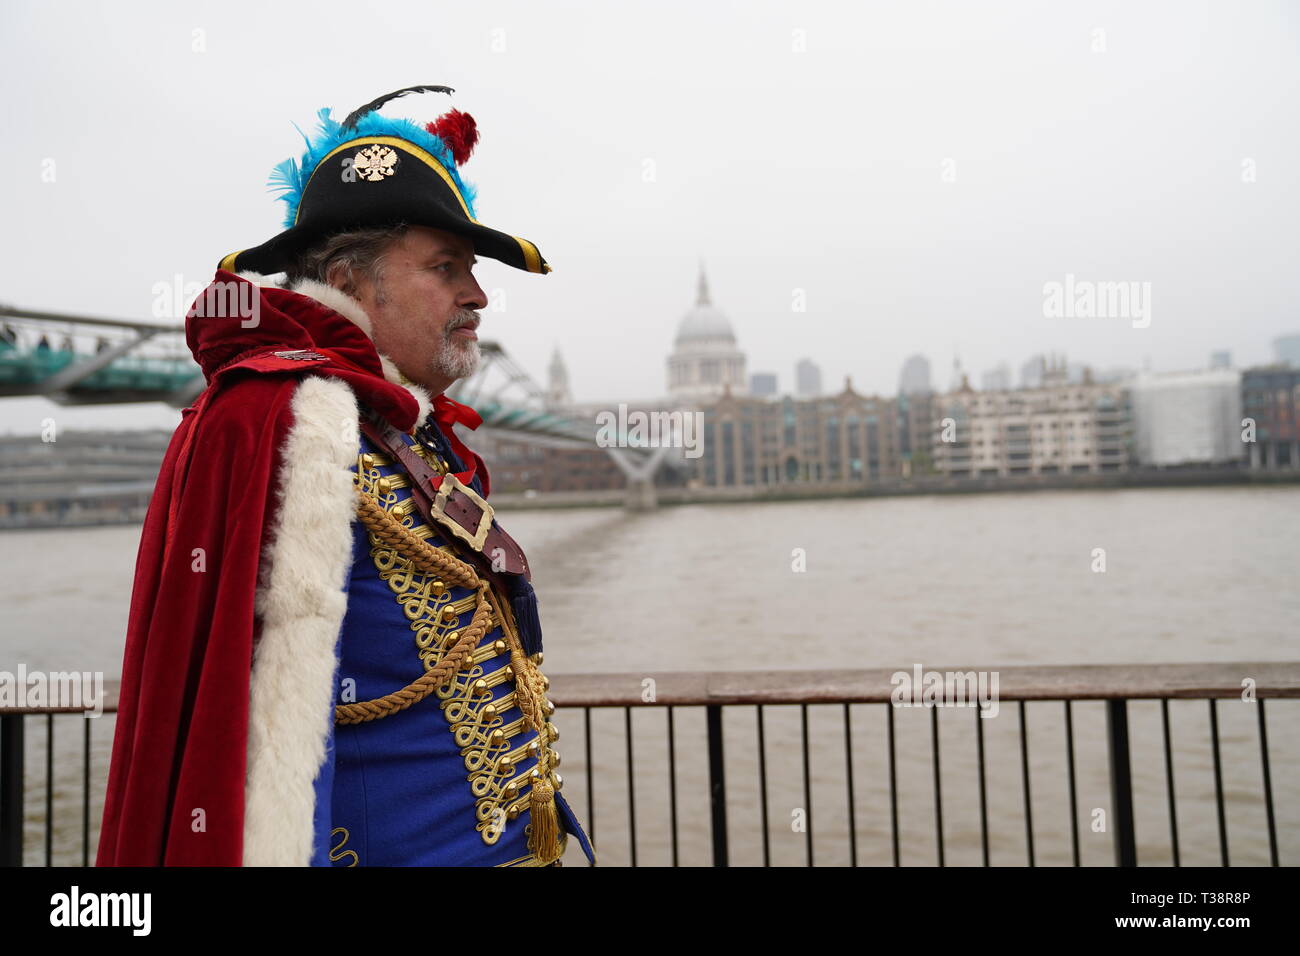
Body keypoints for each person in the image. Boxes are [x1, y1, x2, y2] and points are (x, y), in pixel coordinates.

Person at [96, 86, 596, 867]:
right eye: (446, 267)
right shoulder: (276, 420)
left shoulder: (394, 427)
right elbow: (249, 753)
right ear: (350, 279)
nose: (478, 294)